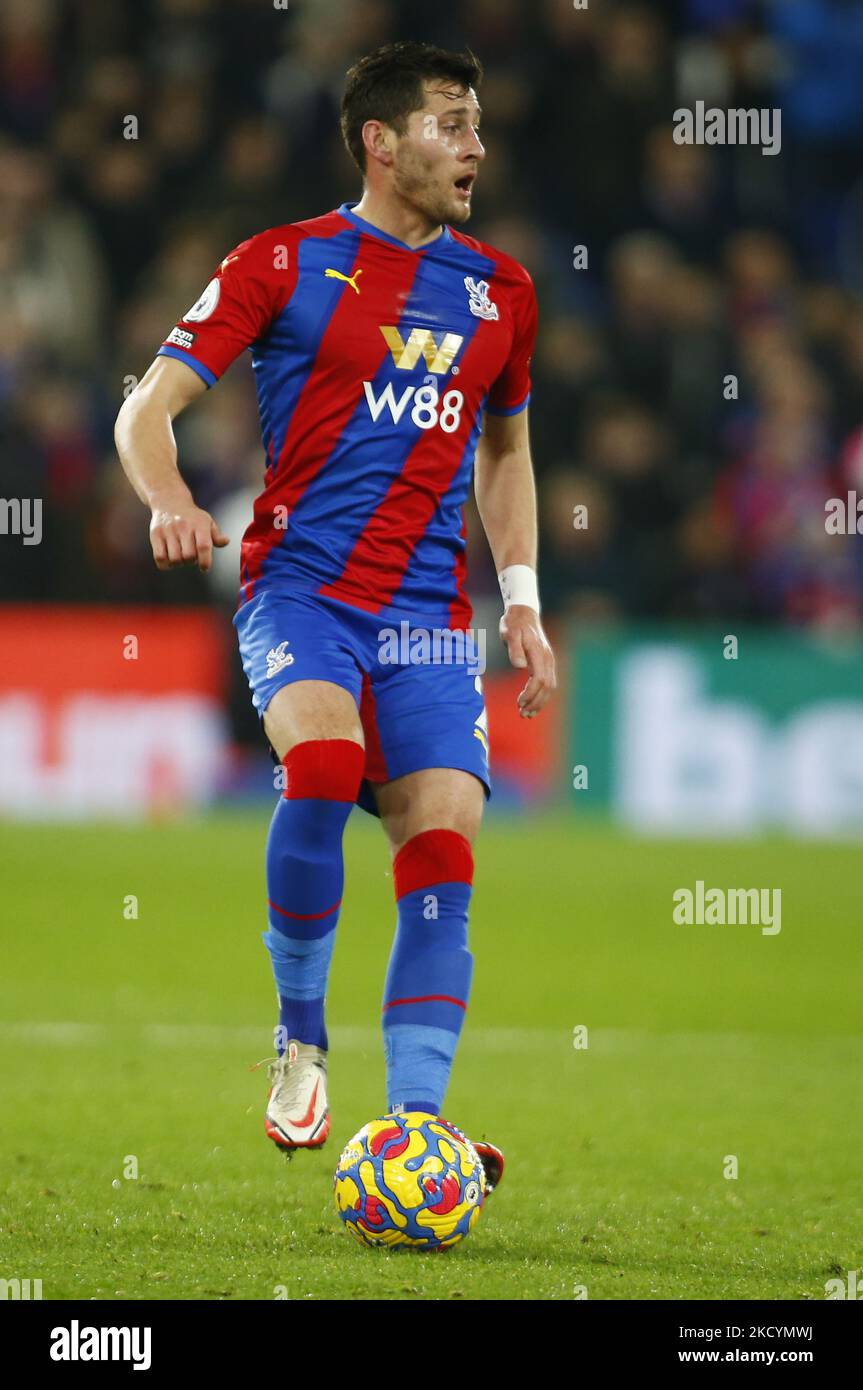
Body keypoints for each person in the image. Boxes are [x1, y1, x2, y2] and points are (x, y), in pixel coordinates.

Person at [114, 40, 556, 1195]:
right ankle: (300, 1035)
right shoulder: (281, 261)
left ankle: (415, 1127)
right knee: (320, 760)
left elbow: (505, 453)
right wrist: (166, 497)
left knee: (444, 845)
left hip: (423, 612)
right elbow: (145, 409)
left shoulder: (500, 289)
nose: (474, 146)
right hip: (301, 589)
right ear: (379, 138)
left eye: (477, 123)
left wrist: (519, 599)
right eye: (450, 122)